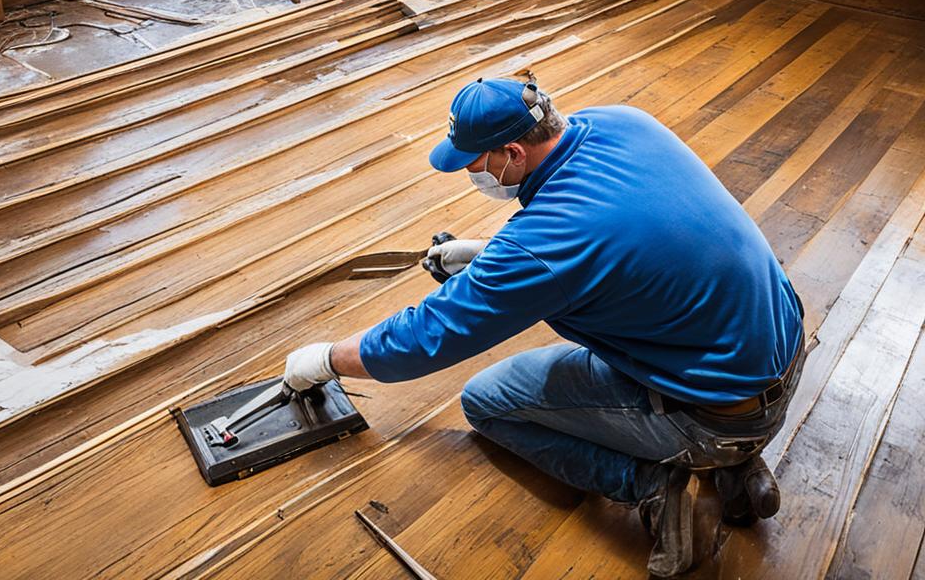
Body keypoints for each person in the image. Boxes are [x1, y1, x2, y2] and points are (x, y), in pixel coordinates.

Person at [282, 78, 805, 577]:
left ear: (512, 153)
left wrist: (325, 359)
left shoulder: (543, 244)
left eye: (473, 163)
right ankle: (737, 468)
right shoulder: (621, 122)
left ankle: (654, 481)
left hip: (714, 415)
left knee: (486, 401)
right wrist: (484, 256)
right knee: (667, 317)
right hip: (778, 347)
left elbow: (423, 337)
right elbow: (615, 235)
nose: (471, 175)